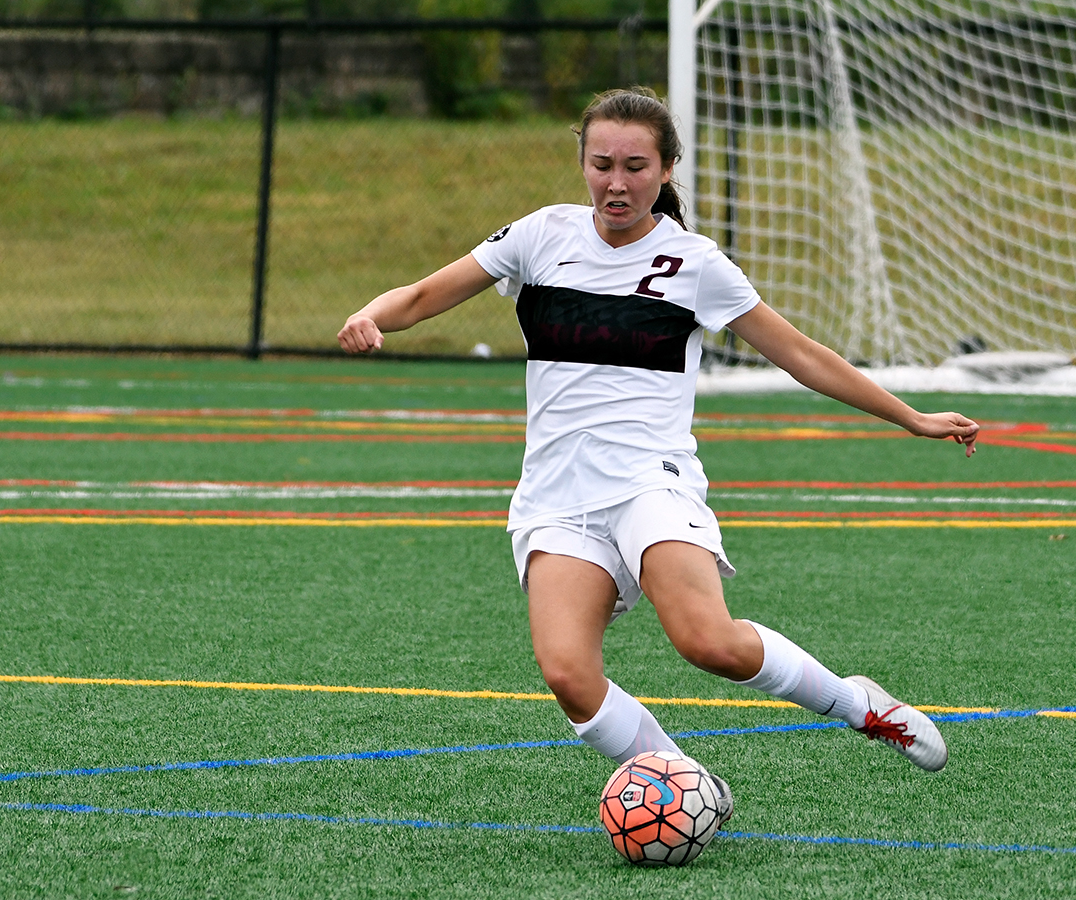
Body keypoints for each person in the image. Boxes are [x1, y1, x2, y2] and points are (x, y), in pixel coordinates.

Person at [338, 88, 980, 820]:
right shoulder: (539, 236)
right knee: (569, 675)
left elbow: (802, 355)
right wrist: (370, 313)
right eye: (601, 164)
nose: (616, 183)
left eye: (635, 167)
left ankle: (860, 705)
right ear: (583, 163)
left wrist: (911, 418)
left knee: (709, 642)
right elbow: (423, 294)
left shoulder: (694, 264)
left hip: (652, 481)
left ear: (667, 169)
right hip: (556, 497)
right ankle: (685, 785)